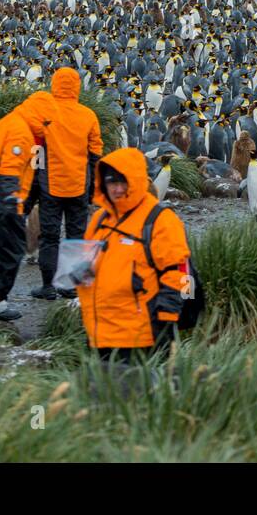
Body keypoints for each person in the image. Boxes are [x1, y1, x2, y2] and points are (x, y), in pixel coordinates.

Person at [78, 148, 193, 359]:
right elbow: (85, 268)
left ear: (137, 181)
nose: (118, 189)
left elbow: (178, 274)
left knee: (142, 391)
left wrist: (165, 322)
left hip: (142, 336)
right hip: (101, 334)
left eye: (124, 182)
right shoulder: (99, 220)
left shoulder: (159, 221)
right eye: (112, 182)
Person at [0, 92, 58, 321]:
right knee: (11, 254)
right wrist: (13, 201)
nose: (47, 128)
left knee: (2, 254)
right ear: (41, 116)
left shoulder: (12, 121)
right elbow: (10, 169)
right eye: (47, 122)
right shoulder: (21, 132)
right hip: (2, 202)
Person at [33, 68, 104, 301]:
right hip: (78, 185)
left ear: (54, 84)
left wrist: (34, 180)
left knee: (49, 236)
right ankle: (75, 286)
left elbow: (36, 149)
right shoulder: (88, 115)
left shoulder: (44, 114)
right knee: (77, 235)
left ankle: (47, 286)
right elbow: (95, 154)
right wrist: (94, 187)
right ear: (76, 86)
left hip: (49, 185)